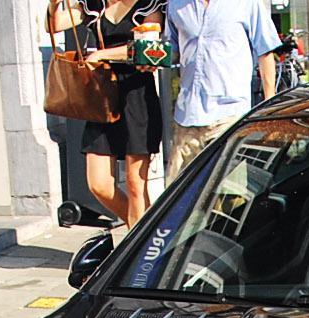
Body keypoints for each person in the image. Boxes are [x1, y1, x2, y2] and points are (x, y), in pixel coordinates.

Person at [51, 0, 164, 224]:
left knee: (135, 182)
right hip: (101, 95)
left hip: (136, 92)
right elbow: (53, 25)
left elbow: (149, 47)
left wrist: (102, 55)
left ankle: (139, 247)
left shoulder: (148, 4)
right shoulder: (93, 4)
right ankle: (144, 235)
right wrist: (54, 5)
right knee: (99, 184)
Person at [164, 0, 279, 173]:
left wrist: (270, 105)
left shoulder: (247, 3)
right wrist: (150, 58)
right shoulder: (176, 4)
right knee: (179, 196)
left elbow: (265, 52)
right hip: (188, 118)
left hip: (230, 117)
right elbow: (172, 51)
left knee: (228, 195)